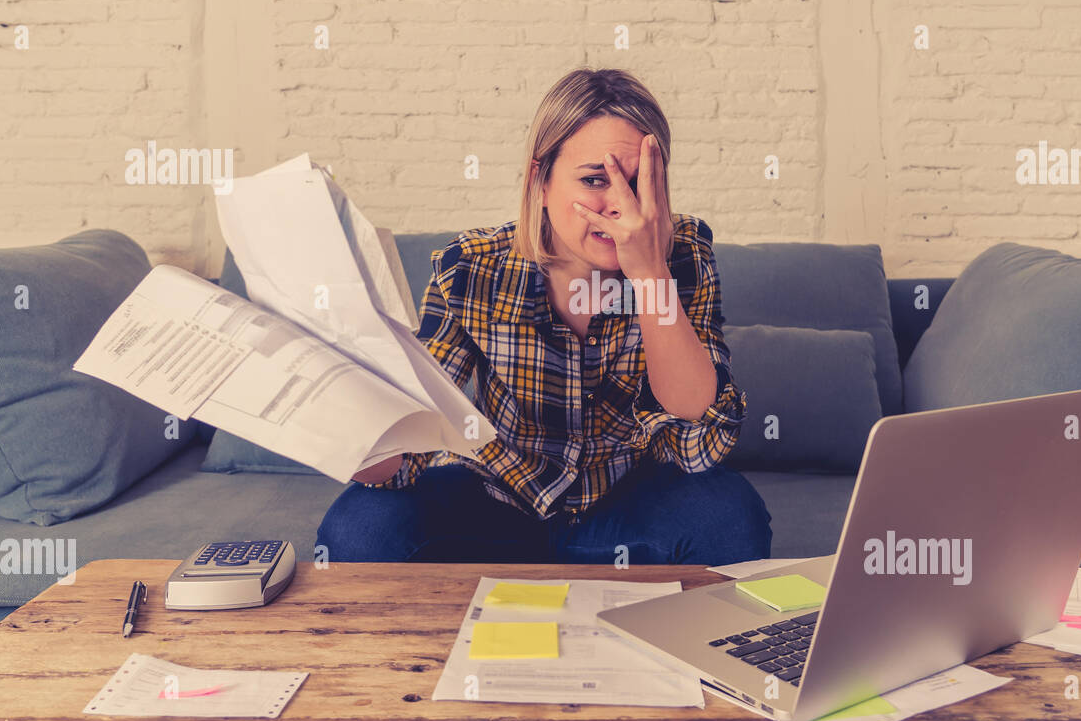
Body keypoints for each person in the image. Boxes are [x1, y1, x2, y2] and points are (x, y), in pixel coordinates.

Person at [316, 67, 772, 565]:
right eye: (595, 180)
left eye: (641, 184)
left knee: (732, 516)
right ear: (541, 179)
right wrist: (346, 432)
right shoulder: (471, 267)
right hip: (497, 503)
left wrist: (650, 275)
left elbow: (698, 444)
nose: (622, 206)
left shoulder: (682, 254)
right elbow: (413, 447)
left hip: (624, 503)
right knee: (358, 526)